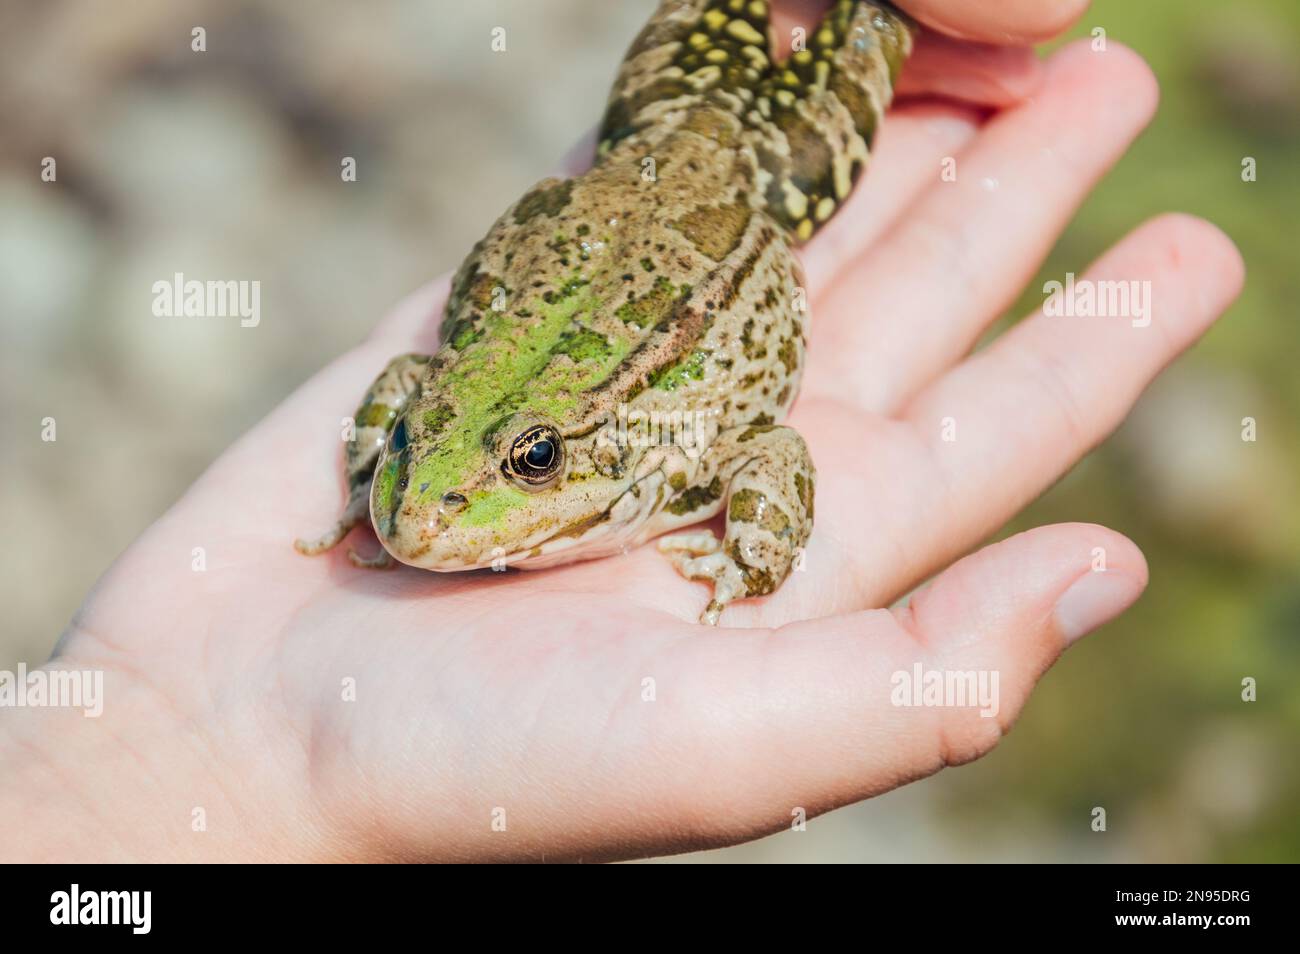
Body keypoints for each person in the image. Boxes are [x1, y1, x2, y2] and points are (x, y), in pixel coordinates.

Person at [1, 0, 1244, 862]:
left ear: (575, 453)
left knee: (872, 25)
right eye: (415, 459)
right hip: (646, 174)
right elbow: (410, 390)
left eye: (527, 466)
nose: (417, 507)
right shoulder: (423, 442)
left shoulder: (655, 447)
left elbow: (757, 452)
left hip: (725, 175)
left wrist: (750, 545)